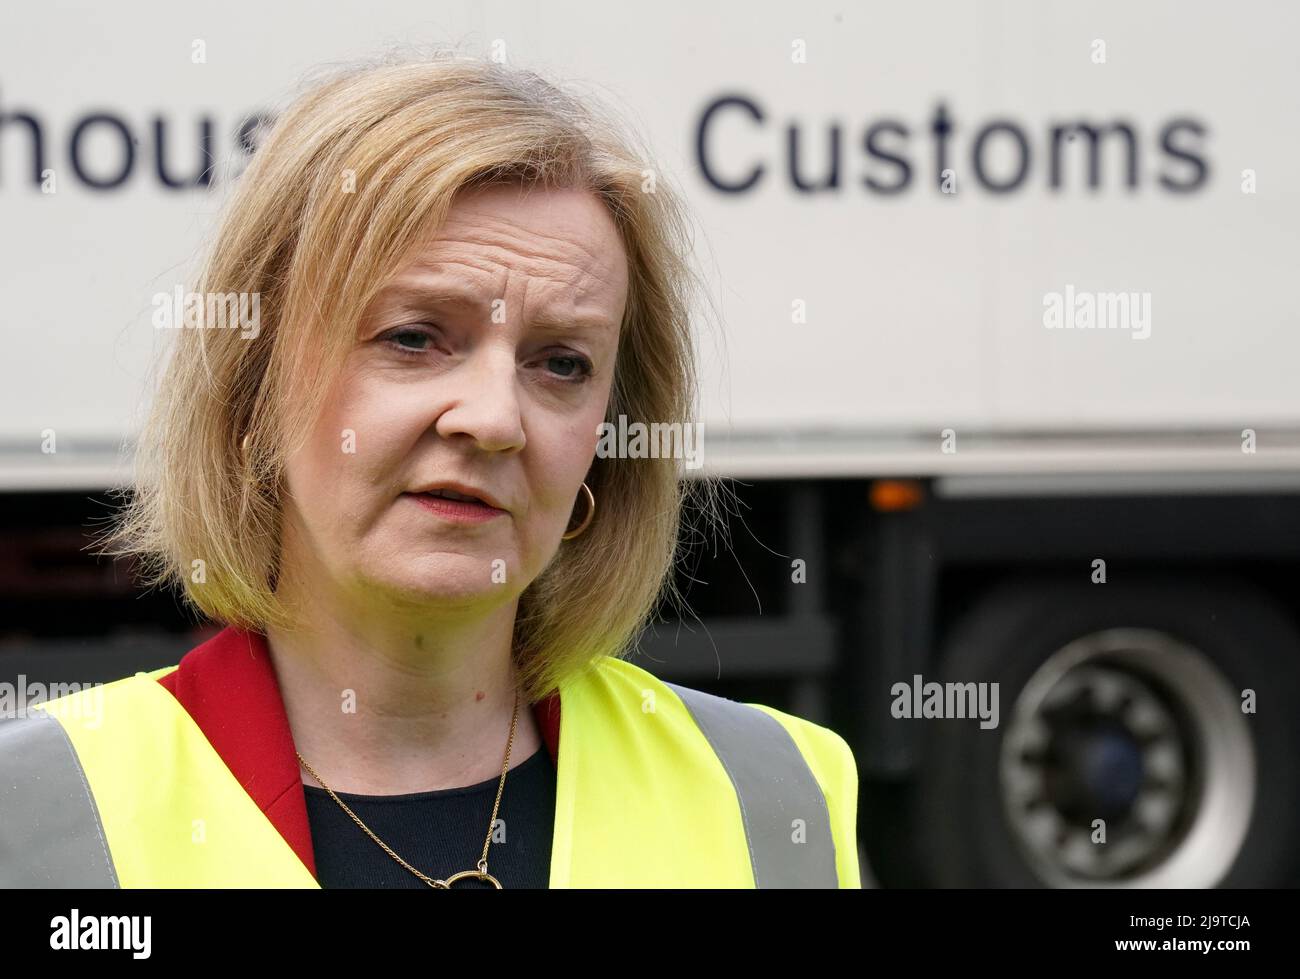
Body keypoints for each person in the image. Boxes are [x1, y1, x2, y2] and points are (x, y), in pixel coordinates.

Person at [0, 50, 860, 888]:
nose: (492, 419)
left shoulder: (774, 792)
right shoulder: (36, 811)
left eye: (561, 362)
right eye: (413, 337)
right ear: (254, 388)